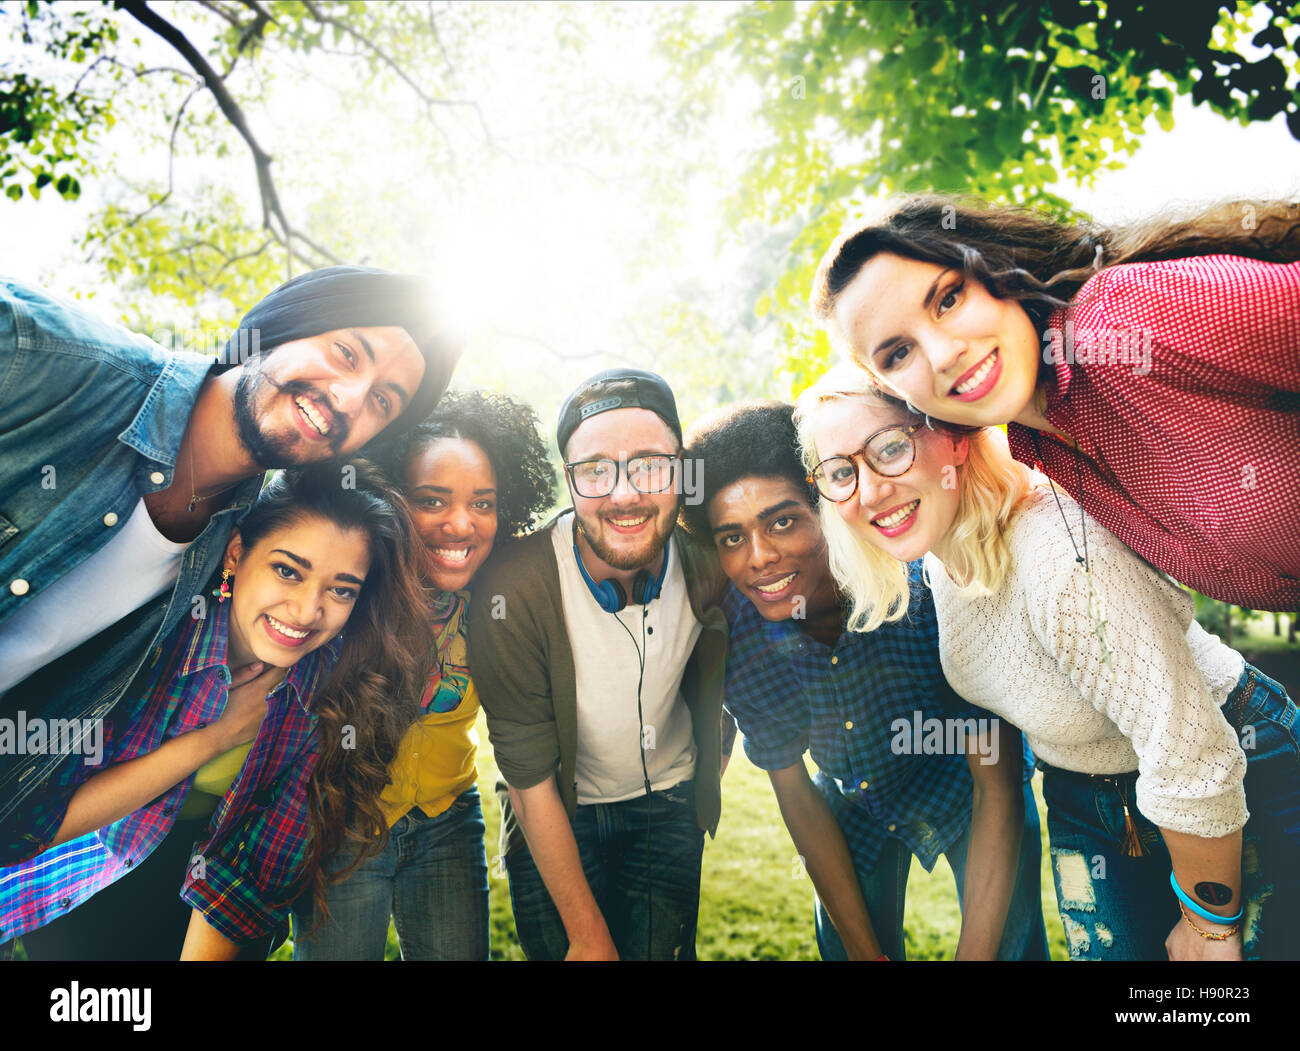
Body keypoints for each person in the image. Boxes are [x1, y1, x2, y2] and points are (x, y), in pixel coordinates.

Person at [795, 362, 1300, 961]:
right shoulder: (939, 555)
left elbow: (1190, 752)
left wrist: (1210, 926)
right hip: (1085, 796)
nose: (870, 490)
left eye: (889, 448)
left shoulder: (1058, 554)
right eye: (840, 471)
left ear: (953, 435)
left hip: (1227, 768)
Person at [0, 266, 459, 825]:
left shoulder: (226, 544)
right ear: (281, 327)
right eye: (346, 353)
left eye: (383, 402)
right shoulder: (52, 356)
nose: (349, 398)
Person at [1, 461, 430, 960]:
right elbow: (32, 818)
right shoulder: (153, 639)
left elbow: (263, 863)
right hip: (86, 862)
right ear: (235, 554)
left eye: (340, 590)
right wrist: (214, 738)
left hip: (220, 890)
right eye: (288, 571)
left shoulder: (337, 684)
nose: (308, 611)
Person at [681, 399, 1048, 961]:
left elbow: (994, 780)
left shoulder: (924, 591)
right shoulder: (741, 635)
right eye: (732, 537)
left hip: (969, 792)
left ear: (827, 507)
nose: (760, 558)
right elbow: (795, 793)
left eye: (782, 521)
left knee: (1008, 951)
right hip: (853, 796)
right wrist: (863, 950)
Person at [809, 194, 1300, 611]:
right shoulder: (1041, 446)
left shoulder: (1118, 319)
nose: (942, 356)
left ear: (994, 271)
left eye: (948, 300)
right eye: (898, 353)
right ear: (893, 388)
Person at [468, 368, 730, 961]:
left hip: (668, 804)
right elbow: (530, 781)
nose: (624, 494)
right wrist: (589, 940)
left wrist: (715, 752)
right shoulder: (514, 588)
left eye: (650, 465)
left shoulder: (714, 559)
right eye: (594, 470)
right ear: (569, 480)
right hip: (555, 807)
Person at [291, 391, 555, 960]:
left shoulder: (498, 596)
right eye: (432, 501)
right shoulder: (351, 588)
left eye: (483, 503)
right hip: (342, 819)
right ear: (389, 499)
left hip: (448, 820)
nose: (461, 524)